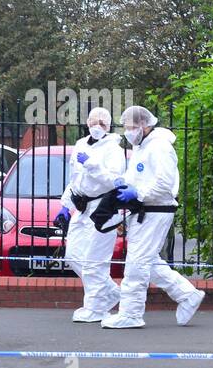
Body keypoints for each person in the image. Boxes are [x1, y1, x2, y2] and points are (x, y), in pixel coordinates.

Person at [100, 106, 205, 329]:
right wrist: (124, 186)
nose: (128, 132)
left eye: (130, 127)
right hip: (143, 210)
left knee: (137, 263)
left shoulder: (159, 147)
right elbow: (137, 177)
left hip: (156, 210)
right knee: (148, 261)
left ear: (144, 125)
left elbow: (164, 184)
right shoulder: (142, 146)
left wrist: (138, 193)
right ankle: (188, 294)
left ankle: (131, 313)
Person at [56, 107, 126, 323]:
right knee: (74, 255)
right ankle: (111, 292)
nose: (97, 127)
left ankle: (96, 308)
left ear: (108, 126)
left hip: (102, 208)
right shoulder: (80, 145)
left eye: (102, 124)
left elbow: (114, 181)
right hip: (81, 206)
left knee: (95, 261)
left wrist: (92, 165)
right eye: (93, 122)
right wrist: (65, 206)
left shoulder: (114, 149)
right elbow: (74, 177)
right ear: (87, 123)